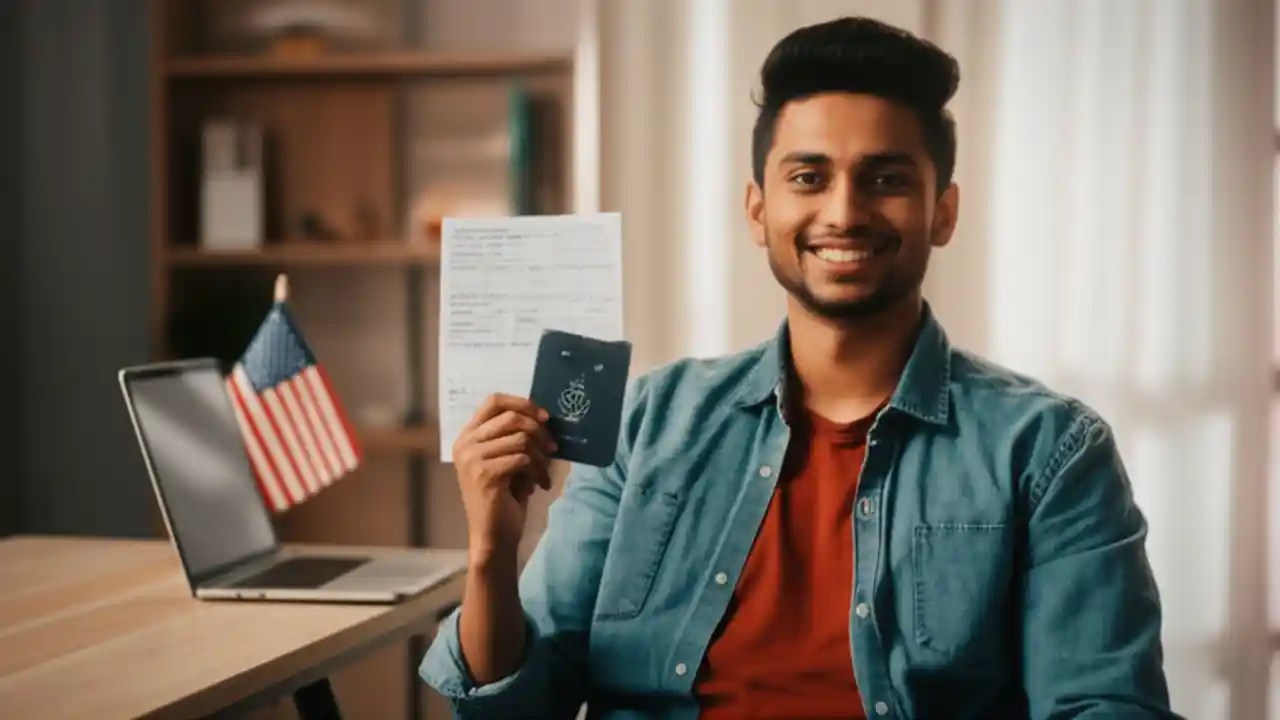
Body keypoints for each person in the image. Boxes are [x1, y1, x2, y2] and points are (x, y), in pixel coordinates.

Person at [421, 16, 1179, 720]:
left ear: (943, 212)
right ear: (758, 210)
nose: (844, 212)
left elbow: (1106, 705)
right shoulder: (646, 425)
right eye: (809, 178)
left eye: (885, 178)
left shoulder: (1049, 451)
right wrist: (491, 551)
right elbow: (515, 709)